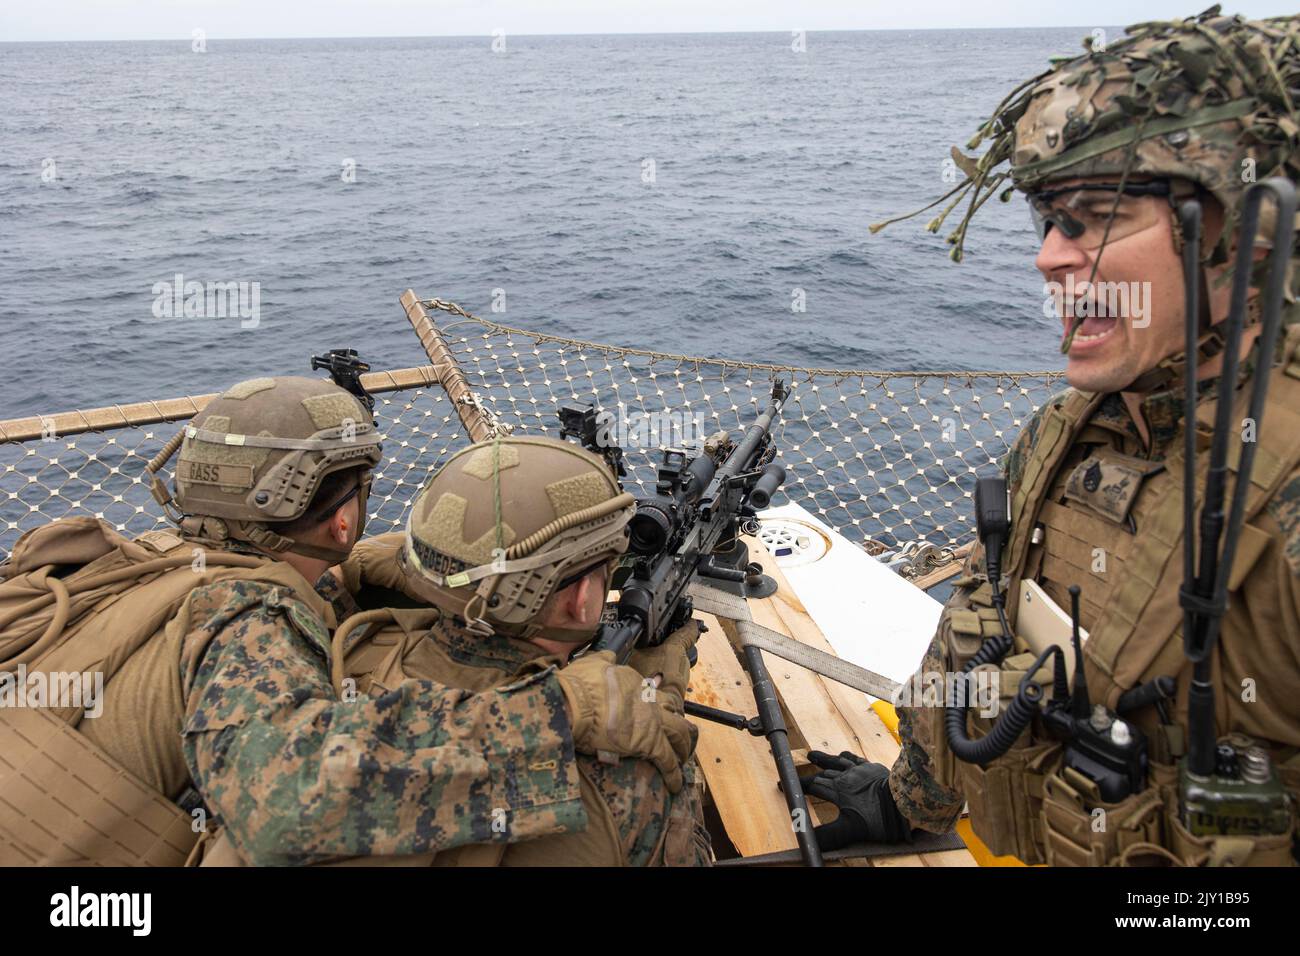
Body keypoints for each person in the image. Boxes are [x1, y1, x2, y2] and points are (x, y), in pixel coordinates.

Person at [806, 9, 1300, 867]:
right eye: (1048, 222)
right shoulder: (1065, 435)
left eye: (1095, 217)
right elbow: (977, 628)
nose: (1049, 258)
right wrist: (905, 799)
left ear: (1241, 234)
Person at [0, 375, 696, 866]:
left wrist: (346, 573)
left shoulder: (134, 561)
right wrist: (562, 708)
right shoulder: (243, 622)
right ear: (339, 518)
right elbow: (286, 803)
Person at [332, 434, 713, 865]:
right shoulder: (622, 774)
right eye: (609, 565)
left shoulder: (345, 649)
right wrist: (660, 697)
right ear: (583, 597)